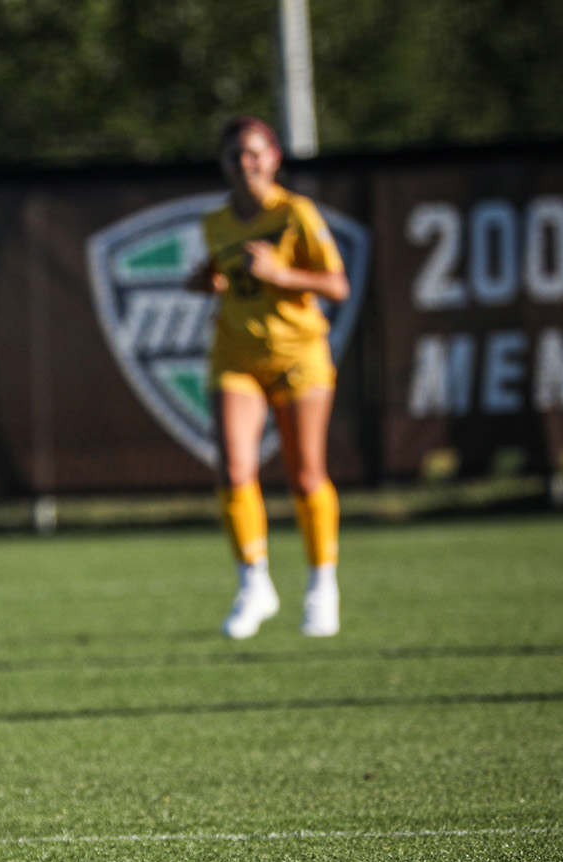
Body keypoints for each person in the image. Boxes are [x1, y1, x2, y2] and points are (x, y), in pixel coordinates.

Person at [186, 116, 351, 639]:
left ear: (274, 157)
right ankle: (253, 581)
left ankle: (322, 582)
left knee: (305, 475)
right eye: (235, 155)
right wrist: (204, 278)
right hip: (236, 355)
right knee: (235, 470)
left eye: (254, 153)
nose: (245, 164)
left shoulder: (295, 213)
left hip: (299, 355)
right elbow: (220, 271)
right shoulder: (215, 222)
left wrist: (283, 275)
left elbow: (337, 285)